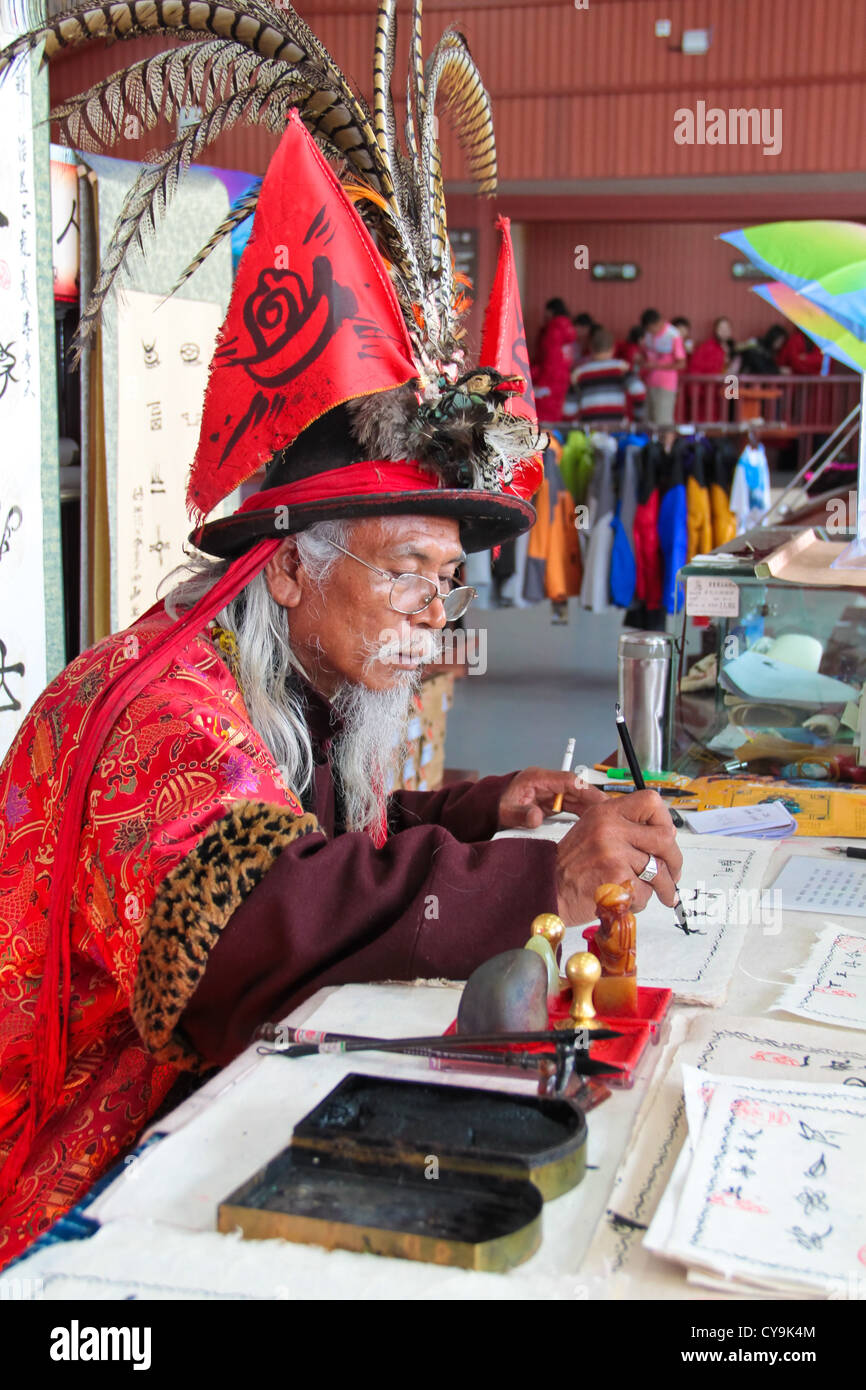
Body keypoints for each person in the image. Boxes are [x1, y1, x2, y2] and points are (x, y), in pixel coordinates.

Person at [0, 2, 682, 1268]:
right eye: (414, 572)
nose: (438, 612)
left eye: (449, 580)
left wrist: (482, 807)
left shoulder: (282, 669)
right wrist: (545, 876)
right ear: (292, 566)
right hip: (78, 1145)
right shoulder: (159, 714)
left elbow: (315, 839)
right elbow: (261, 913)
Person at [570, 326, 632, 428]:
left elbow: (569, 409)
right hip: (617, 427)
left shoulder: (579, 373)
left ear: (591, 348)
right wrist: (639, 417)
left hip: (589, 429)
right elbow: (638, 391)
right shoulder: (622, 368)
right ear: (613, 348)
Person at [531, 297, 577, 421]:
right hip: (562, 382)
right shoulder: (569, 330)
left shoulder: (553, 330)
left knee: (542, 421)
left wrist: (531, 375)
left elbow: (549, 361)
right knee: (555, 419)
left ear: (550, 311)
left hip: (548, 382)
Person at [640, 309, 687, 425]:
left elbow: (681, 363)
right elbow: (645, 355)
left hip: (666, 385)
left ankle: (666, 444)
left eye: (652, 328)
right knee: (648, 421)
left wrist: (657, 365)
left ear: (659, 322)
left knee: (663, 422)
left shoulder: (673, 335)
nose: (651, 331)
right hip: (649, 382)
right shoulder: (648, 335)